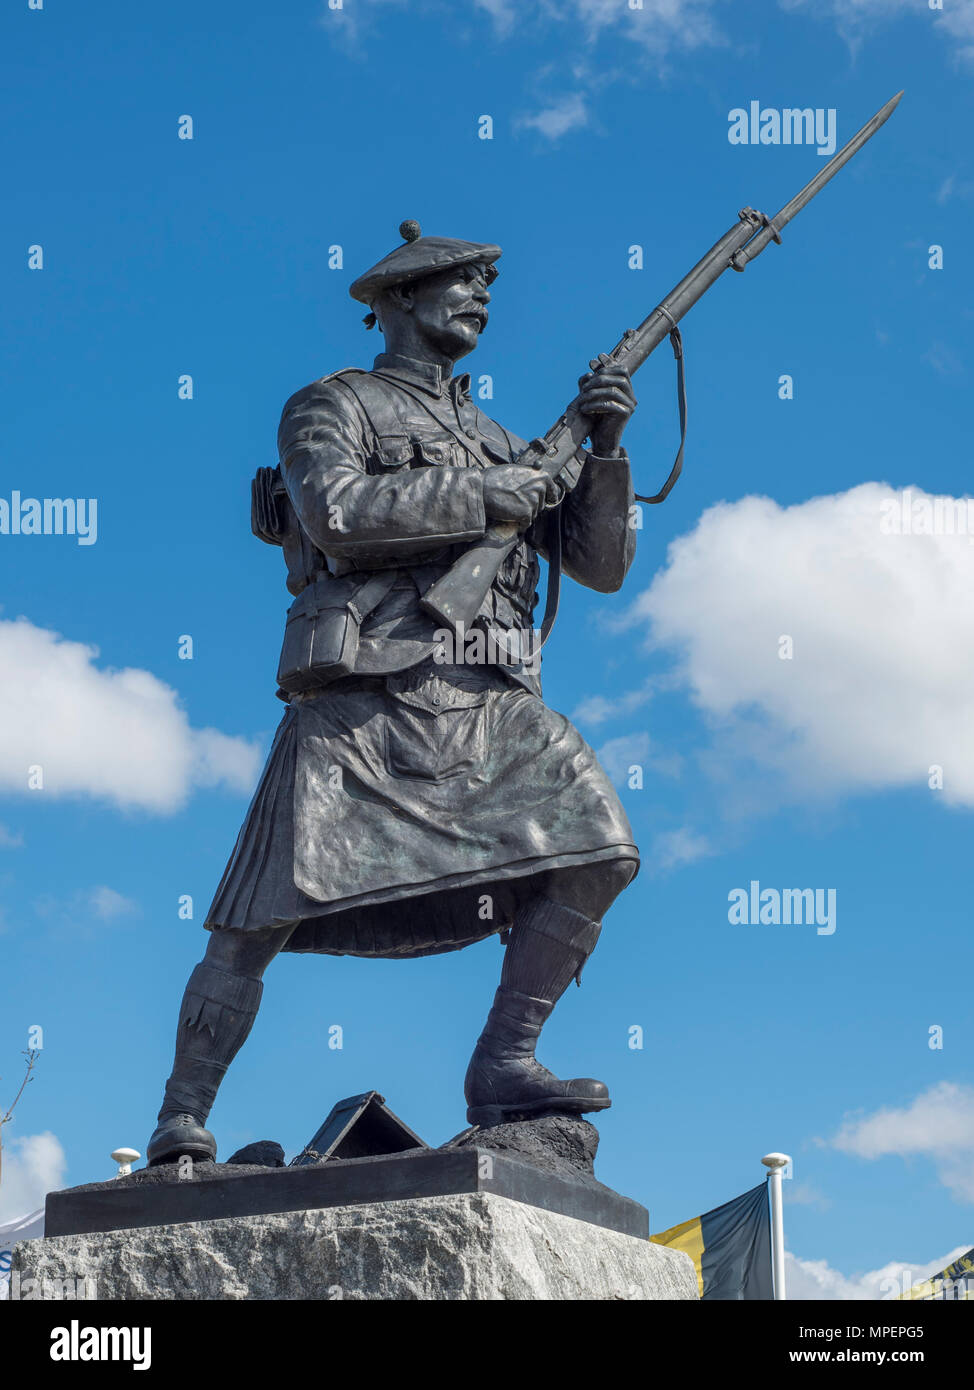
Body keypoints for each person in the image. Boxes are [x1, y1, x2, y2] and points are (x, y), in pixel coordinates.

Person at [147, 221, 641, 1165]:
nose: (480, 297)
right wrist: (483, 497)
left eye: (486, 286)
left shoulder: (503, 438)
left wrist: (606, 453)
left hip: (491, 696)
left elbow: (601, 566)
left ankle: (505, 1062)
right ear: (398, 299)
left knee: (601, 849)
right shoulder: (334, 403)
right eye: (459, 281)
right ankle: (181, 1117)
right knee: (257, 920)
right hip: (366, 691)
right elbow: (333, 511)